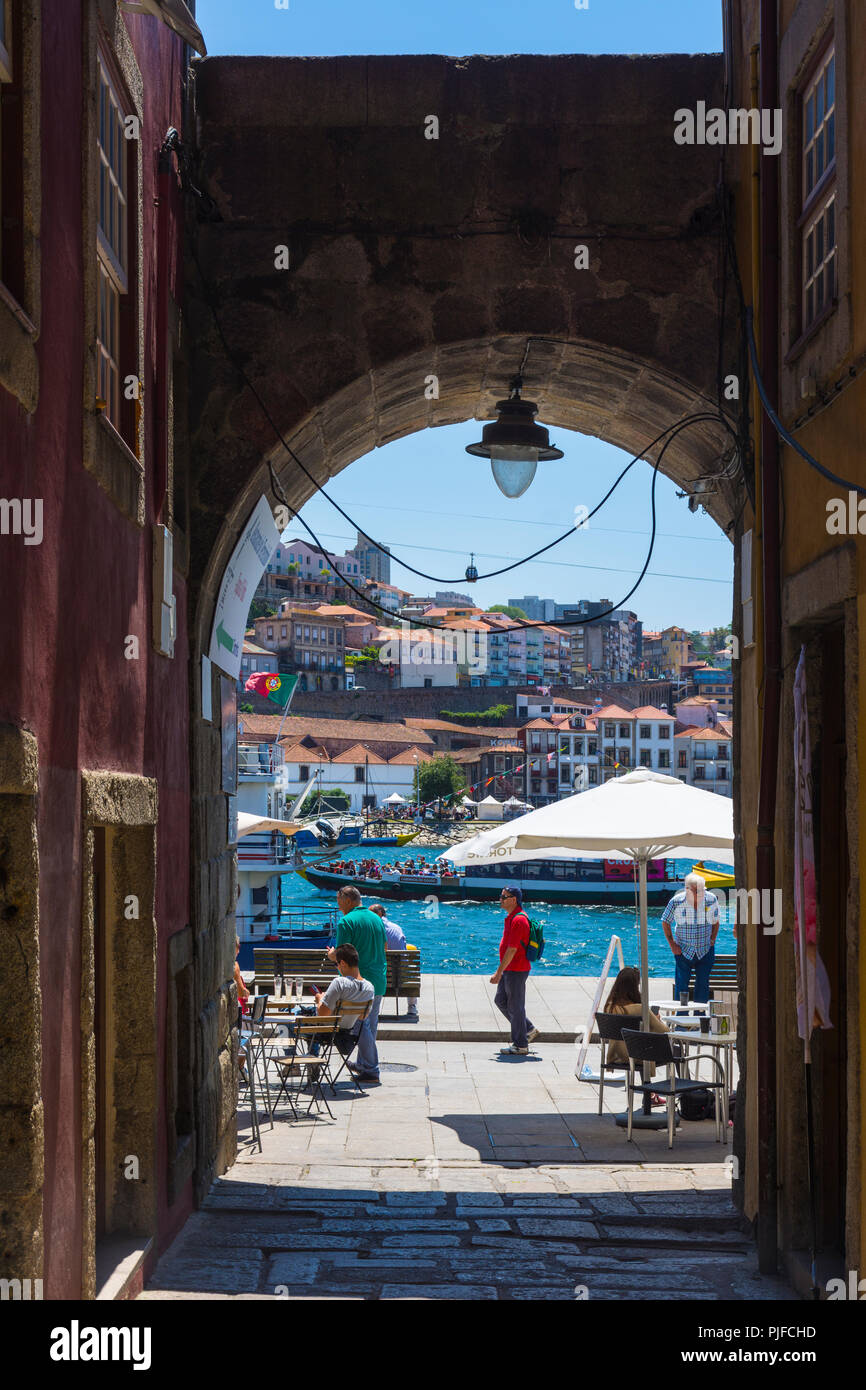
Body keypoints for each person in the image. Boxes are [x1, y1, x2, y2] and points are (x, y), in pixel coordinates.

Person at [328, 885, 387, 1084]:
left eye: (339, 902)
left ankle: (371, 1068)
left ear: (347, 900)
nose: (338, 907)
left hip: (357, 982)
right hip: (378, 979)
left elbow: (341, 954)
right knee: (370, 1025)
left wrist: (331, 956)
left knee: (361, 1025)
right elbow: (384, 946)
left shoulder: (346, 921)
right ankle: (364, 1064)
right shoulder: (377, 919)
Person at [490, 885, 538, 1055]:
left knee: (516, 1007)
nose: (500, 899)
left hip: (516, 969)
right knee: (501, 1001)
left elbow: (512, 949)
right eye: (501, 895)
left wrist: (498, 972)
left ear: (513, 900)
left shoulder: (519, 920)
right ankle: (528, 1029)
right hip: (510, 968)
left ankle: (521, 1045)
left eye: (504, 896)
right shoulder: (512, 917)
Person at [661, 871, 720, 1003]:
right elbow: (665, 921)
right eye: (697, 891)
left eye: (702, 890)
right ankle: (681, 1019)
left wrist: (712, 940)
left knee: (703, 985)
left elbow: (716, 922)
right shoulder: (676, 902)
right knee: (682, 986)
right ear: (687, 890)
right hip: (683, 949)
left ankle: (700, 1018)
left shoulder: (711, 899)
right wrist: (672, 945)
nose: (701, 893)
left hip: (705, 950)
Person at [602, 966, 669, 1075]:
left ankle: (649, 1089)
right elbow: (664, 1031)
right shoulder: (640, 1009)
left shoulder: (610, 1007)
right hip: (639, 1056)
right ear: (634, 987)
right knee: (676, 1050)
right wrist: (657, 1020)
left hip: (616, 1056)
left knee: (642, 1044)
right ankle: (686, 1089)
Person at [369, 903, 419, 1022]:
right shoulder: (396, 928)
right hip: (398, 977)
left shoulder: (371, 929)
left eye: (370, 913)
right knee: (412, 969)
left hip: (377, 977)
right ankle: (412, 1007)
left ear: (379, 914)